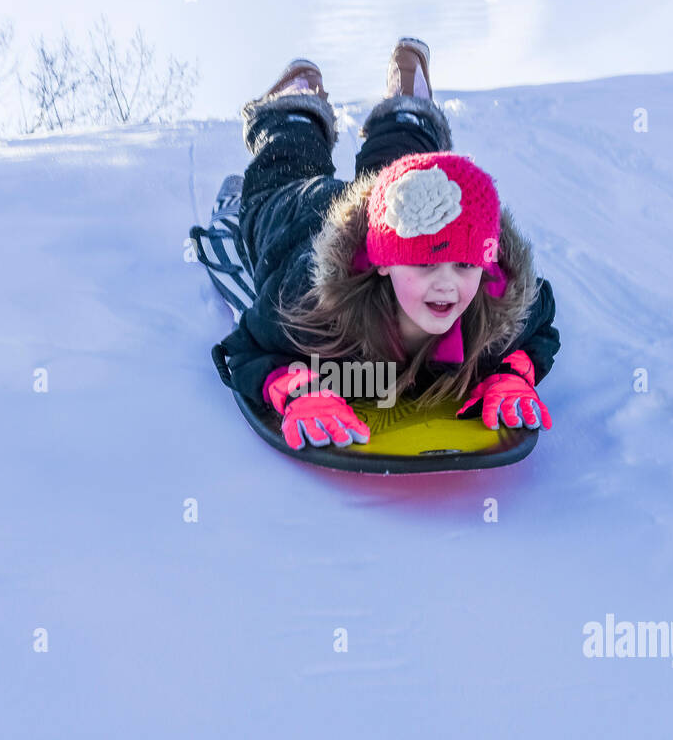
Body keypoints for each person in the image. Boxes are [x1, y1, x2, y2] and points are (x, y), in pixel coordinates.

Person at [217, 38, 561, 451]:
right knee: (283, 171)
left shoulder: (497, 303)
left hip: (401, 211)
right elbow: (248, 347)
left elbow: (538, 322)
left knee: (408, 177)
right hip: (306, 215)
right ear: (381, 262)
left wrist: (510, 372)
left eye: (465, 265)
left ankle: (408, 106)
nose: (447, 285)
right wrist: (296, 388)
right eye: (425, 265)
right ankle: (294, 105)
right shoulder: (311, 303)